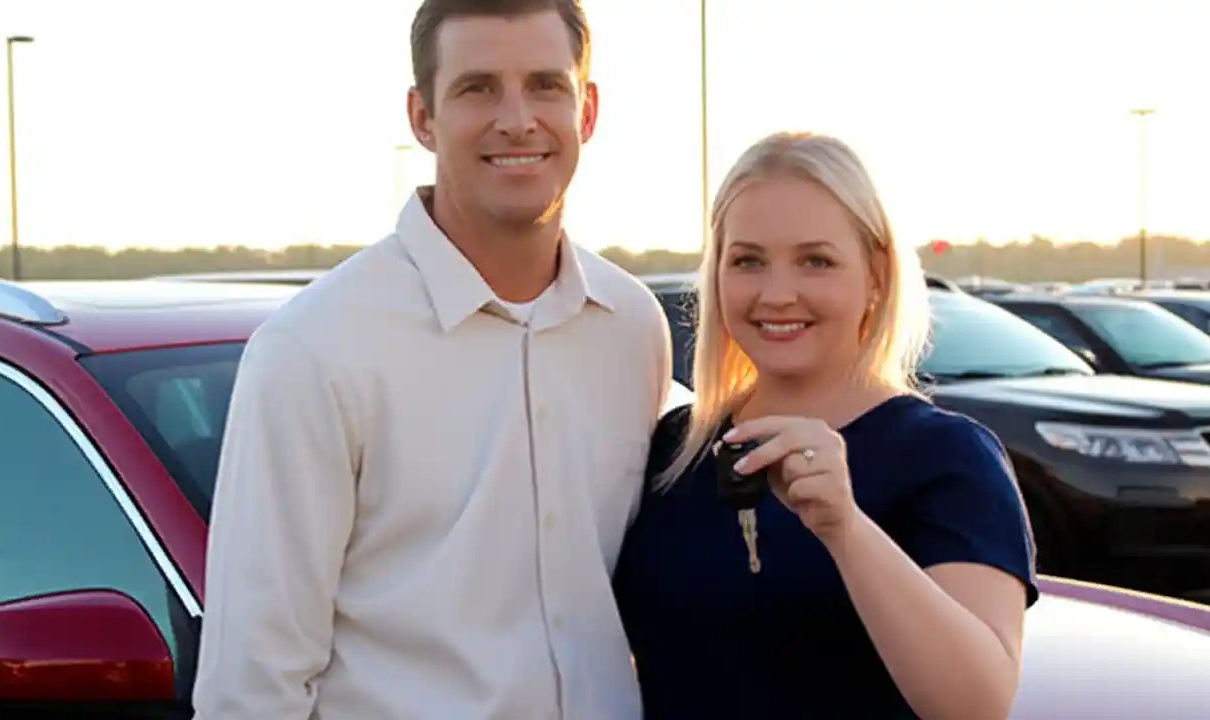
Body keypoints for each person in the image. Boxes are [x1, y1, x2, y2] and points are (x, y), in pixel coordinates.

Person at [192, 1, 672, 717]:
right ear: (422, 117)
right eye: (478, 88)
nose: (517, 120)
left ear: (588, 110)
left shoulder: (631, 329)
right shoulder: (314, 350)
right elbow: (251, 685)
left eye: (546, 85)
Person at [613, 132, 1039, 719]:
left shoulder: (946, 457)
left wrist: (845, 528)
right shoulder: (675, 447)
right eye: (748, 261)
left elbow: (976, 704)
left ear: (877, 276)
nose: (777, 294)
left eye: (815, 261)